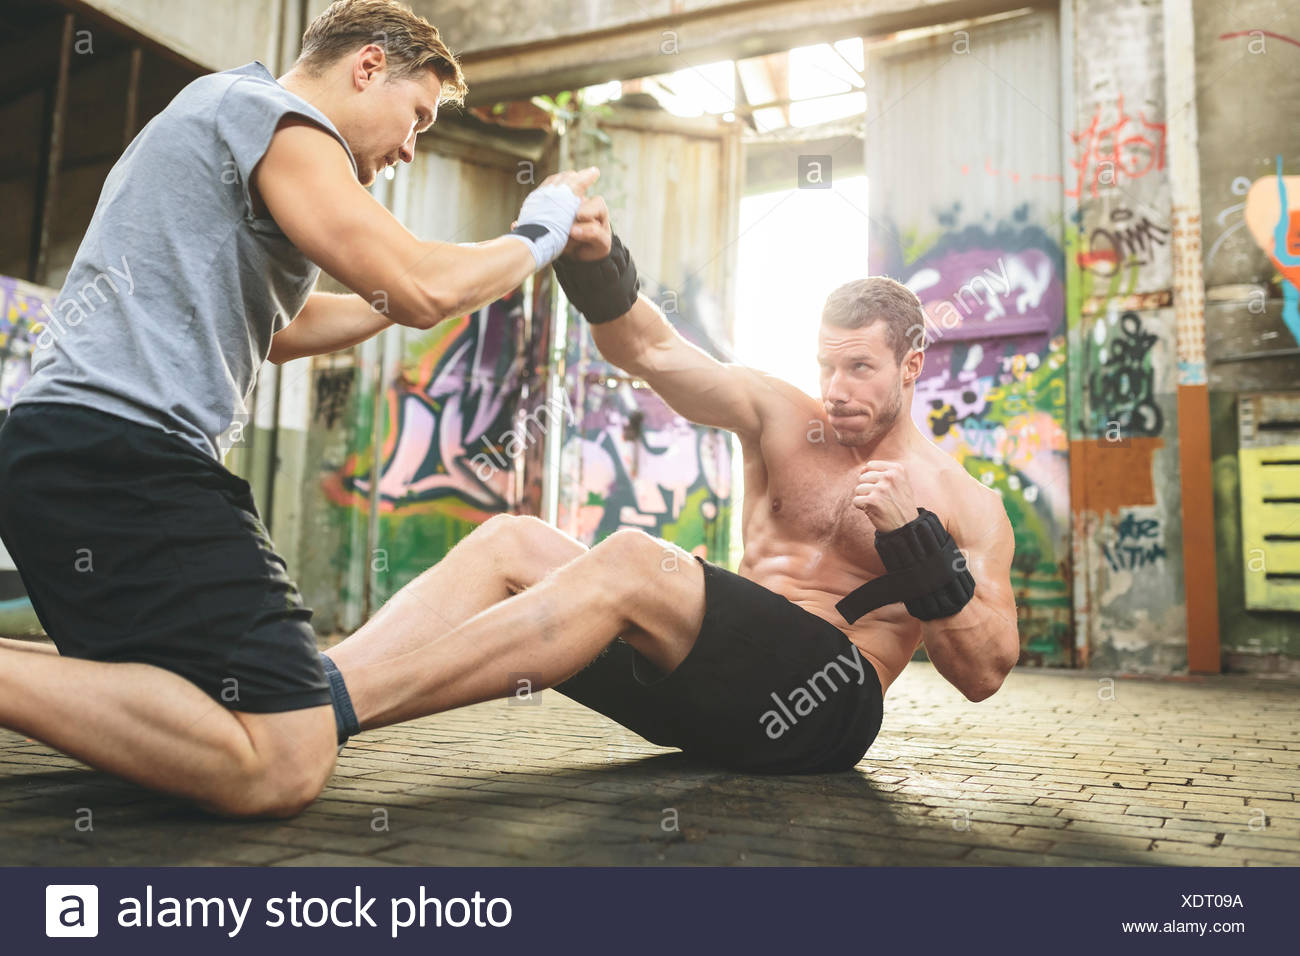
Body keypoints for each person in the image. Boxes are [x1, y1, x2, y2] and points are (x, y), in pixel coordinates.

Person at [0, 0, 602, 818]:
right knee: (287, 752)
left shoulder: (221, 119)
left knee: (207, 714)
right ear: (365, 67)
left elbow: (285, 329)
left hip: (66, 460)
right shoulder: (273, 118)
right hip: (120, 458)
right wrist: (541, 233)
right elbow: (419, 283)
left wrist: (414, 291)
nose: (412, 148)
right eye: (416, 114)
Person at [318, 212, 1023, 779]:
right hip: (713, 693)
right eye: (827, 365)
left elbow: (984, 673)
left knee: (631, 559)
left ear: (912, 365)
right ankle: (311, 684)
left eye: (861, 368)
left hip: (825, 713)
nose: (836, 388)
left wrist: (918, 549)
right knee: (512, 541)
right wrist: (595, 261)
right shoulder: (783, 416)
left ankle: (336, 710)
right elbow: (650, 350)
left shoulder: (963, 501)